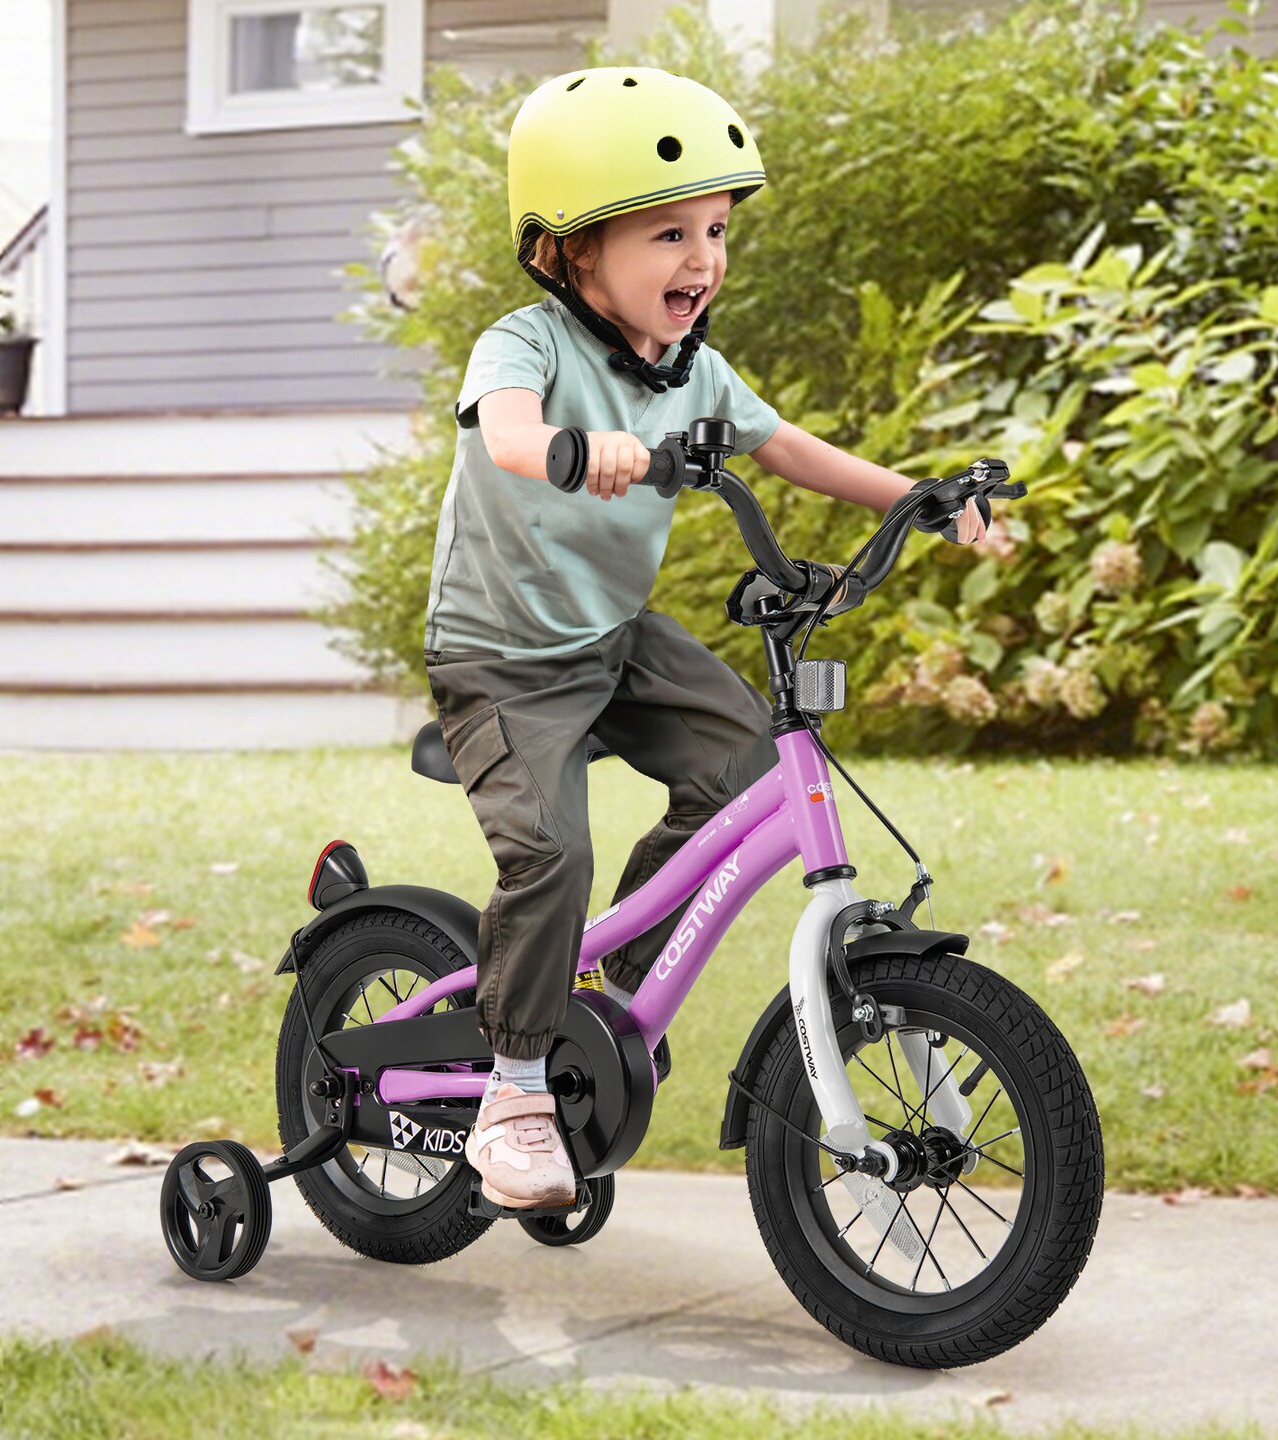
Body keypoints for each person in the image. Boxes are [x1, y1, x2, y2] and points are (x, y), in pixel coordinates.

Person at [416, 65, 987, 1210]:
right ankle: (515, 1093)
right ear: (572, 252)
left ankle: (607, 992)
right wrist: (579, 449)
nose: (703, 259)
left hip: (614, 635)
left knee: (747, 772)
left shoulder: (695, 370)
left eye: (716, 232)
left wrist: (915, 497)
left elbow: (787, 449)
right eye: (669, 234)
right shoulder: (526, 345)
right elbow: (509, 432)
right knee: (552, 855)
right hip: (503, 654)